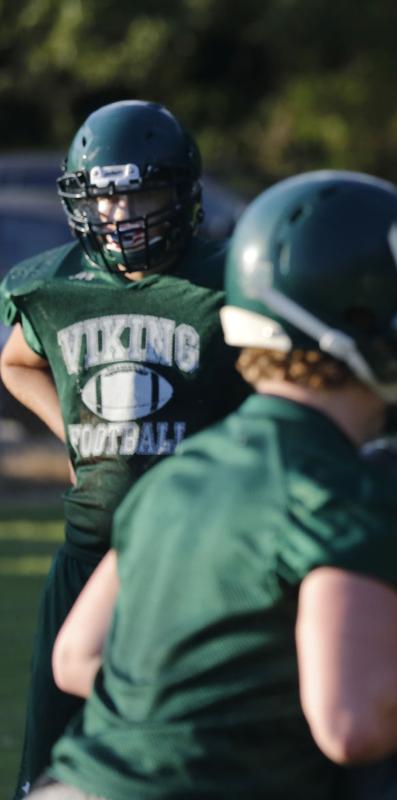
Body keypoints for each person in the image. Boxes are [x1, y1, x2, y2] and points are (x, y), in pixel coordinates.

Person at [28, 170, 397, 798]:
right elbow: (353, 725)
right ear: (362, 322)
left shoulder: (176, 474)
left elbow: (78, 658)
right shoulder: (345, 494)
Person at [0, 100, 248, 799]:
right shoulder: (53, 285)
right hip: (89, 550)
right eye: (105, 195)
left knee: (193, 756)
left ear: (182, 192)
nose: (121, 212)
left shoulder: (229, 280)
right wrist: (75, 434)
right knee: (54, 764)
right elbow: (15, 362)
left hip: (197, 562)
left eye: (139, 191)